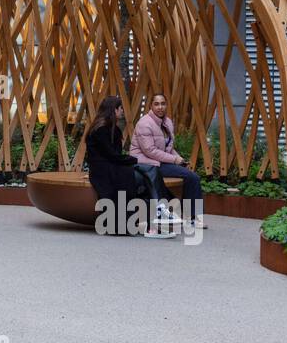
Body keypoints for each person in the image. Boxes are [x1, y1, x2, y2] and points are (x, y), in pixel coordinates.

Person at [84, 95, 178, 238]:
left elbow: (115, 157)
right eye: (120, 108)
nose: (122, 112)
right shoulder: (102, 130)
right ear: (114, 110)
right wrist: (134, 160)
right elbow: (112, 156)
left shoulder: (108, 128)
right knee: (148, 175)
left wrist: (132, 161)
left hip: (114, 168)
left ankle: (157, 218)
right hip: (106, 172)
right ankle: (157, 218)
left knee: (149, 173)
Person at [129, 93, 206, 229]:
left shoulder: (167, 122)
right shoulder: (144, 123)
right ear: (151, 106)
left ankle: (189, 216)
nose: (160, 107)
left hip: (159, 161)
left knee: (190, 176)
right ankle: (191, 218)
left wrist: (180, 160)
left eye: (163, 103)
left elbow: (168, 148)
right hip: (147, 163)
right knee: (192, 177)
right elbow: (150, 151)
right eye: (156, 104)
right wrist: (174, 160)